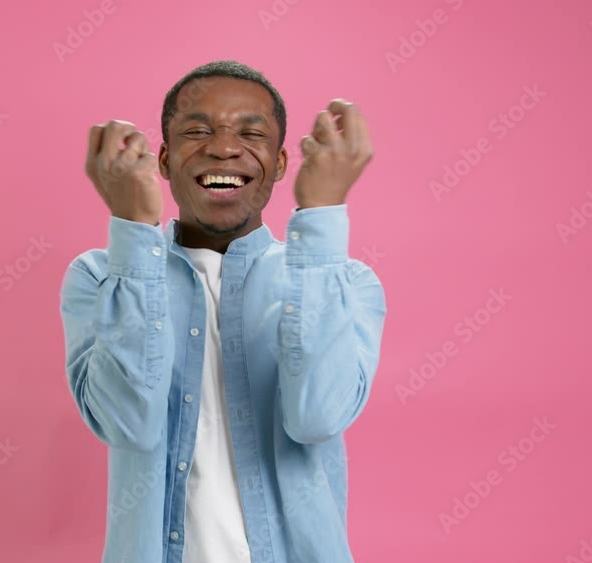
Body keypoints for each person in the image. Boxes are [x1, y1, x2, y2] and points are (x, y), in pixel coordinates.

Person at [60, 60, 387, 563]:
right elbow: (129, 425)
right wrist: (133, 228)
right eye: (197, 130)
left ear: (280, 164)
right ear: (164, 160)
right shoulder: (102, 277)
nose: (223, 147)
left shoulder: (345, 283)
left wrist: (322, 215)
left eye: (250, 132)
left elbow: (315, 418)